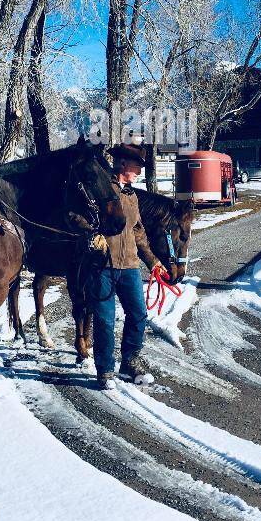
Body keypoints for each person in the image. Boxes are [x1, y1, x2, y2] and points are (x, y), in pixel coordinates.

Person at [87, 142, 168, 390]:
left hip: (130, 266)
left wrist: (153, 262)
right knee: (105, 319)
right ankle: (105, 370)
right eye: (137, 166)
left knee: (139, 314)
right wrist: (92, 235)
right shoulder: (100, 188)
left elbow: (138, 232)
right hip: (103, 266)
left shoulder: (132, 196)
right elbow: (78, 218)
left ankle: (130, 362)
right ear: (122, 164)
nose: (140, 172)